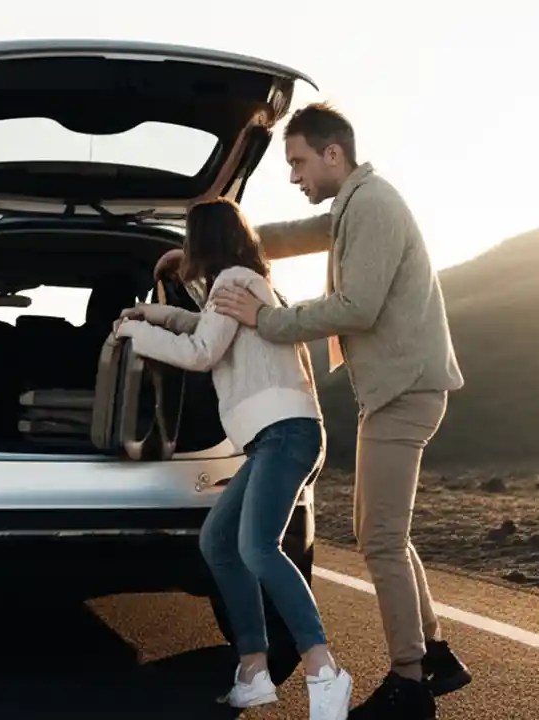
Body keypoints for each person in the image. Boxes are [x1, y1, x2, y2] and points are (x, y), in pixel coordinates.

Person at [210, 102, 471, 720]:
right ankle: (434, 654)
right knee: (385, 536)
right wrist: (207, 247)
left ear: (334, 154)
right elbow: (291, 237)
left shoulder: (373, 203)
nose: (294, 175)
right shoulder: (353, 206)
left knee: (379, 541)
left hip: (404, 391)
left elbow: (357, 307)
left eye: (298, 161)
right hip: (391, 392)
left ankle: (410, 684)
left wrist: (266, 319)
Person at [114, 198, 352, 720]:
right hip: (280, 435)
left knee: (258, 547)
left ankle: (324, 669)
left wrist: (135, 332)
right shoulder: (238, 282)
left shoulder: (234, 282)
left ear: (204, 241)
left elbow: (200, 354)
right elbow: (204, 328)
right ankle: (252, 669)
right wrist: (152, 313)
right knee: (219, 541)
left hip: (284, 434)